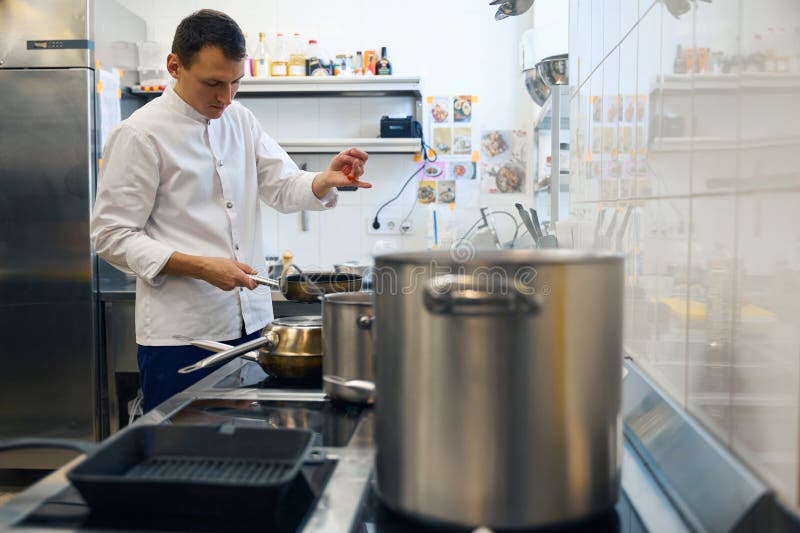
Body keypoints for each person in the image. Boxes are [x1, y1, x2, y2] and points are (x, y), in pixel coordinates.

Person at [90, 9, 370, 413]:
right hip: (183, 337)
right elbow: (111, 236)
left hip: (254, 330)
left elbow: (283, 186)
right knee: (182, 460)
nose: (225, 96)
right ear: (174, 66)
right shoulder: (140, 134)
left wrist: (323, 180)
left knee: (246, 452)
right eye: (213, 83)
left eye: (236, 82)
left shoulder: (240, 120)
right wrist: (201, 266)